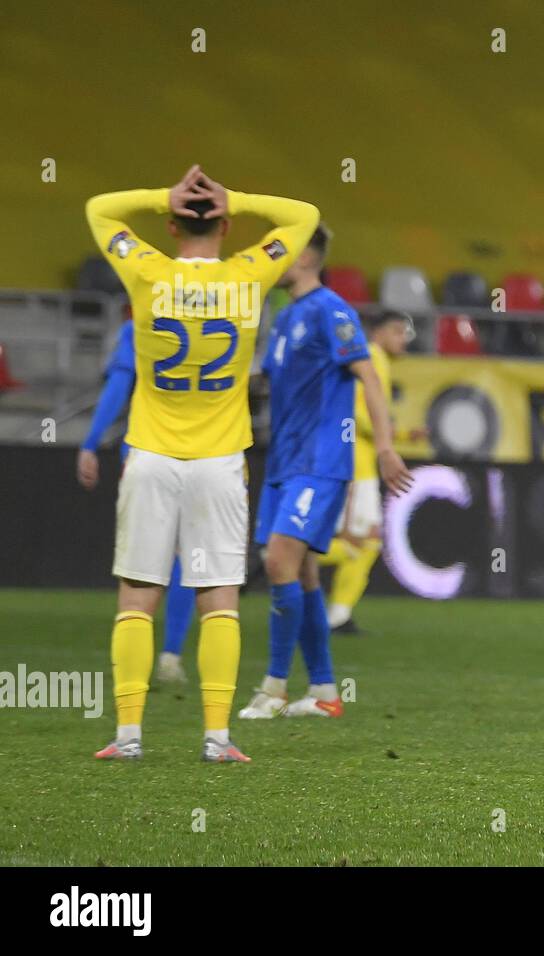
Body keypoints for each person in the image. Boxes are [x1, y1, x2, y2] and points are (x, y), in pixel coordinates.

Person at [86, 165, 320, 762]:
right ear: (227, 224)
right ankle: (217, 736)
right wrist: (235, 195)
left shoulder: (146, 270)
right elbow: (304, 216)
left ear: (169, 224)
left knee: (138, 595)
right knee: (219, 596)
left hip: (151, 456)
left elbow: (99, 209)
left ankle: (128, 735)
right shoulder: (250, 273)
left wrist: (159, 194)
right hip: (219, 462)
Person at [239, 227, 412, 720]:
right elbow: (269, 381)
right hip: (283, 462)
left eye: (279, 252)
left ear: (305, 257)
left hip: (321, 461)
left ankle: (272, 687)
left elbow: (368, 377)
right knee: (303, 571)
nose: (269, 259)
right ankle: (324, 692)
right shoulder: (286, 315)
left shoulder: (332, 309)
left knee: (278, 563)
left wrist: (383, 448)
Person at [78, 318, 197, 684]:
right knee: (188, 557)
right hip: (206, 452)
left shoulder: (142, 324)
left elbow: (119, 384)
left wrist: (91, 441)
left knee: (142, 559)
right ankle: (170, 656)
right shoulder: (220, 321)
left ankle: (133, 667)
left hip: (147, 451)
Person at [319, 309, 416, 635]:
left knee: (369, 543)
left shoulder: (378, 360)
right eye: (399, 332)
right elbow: (353, 411)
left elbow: (370, 416)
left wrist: (399, 435)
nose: (404, 339)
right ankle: (278, 556)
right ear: (379, 333)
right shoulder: (370, 357)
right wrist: (386, 434)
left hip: (362, 466)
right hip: (353, 466)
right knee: (355, 544)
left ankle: (338, 616)